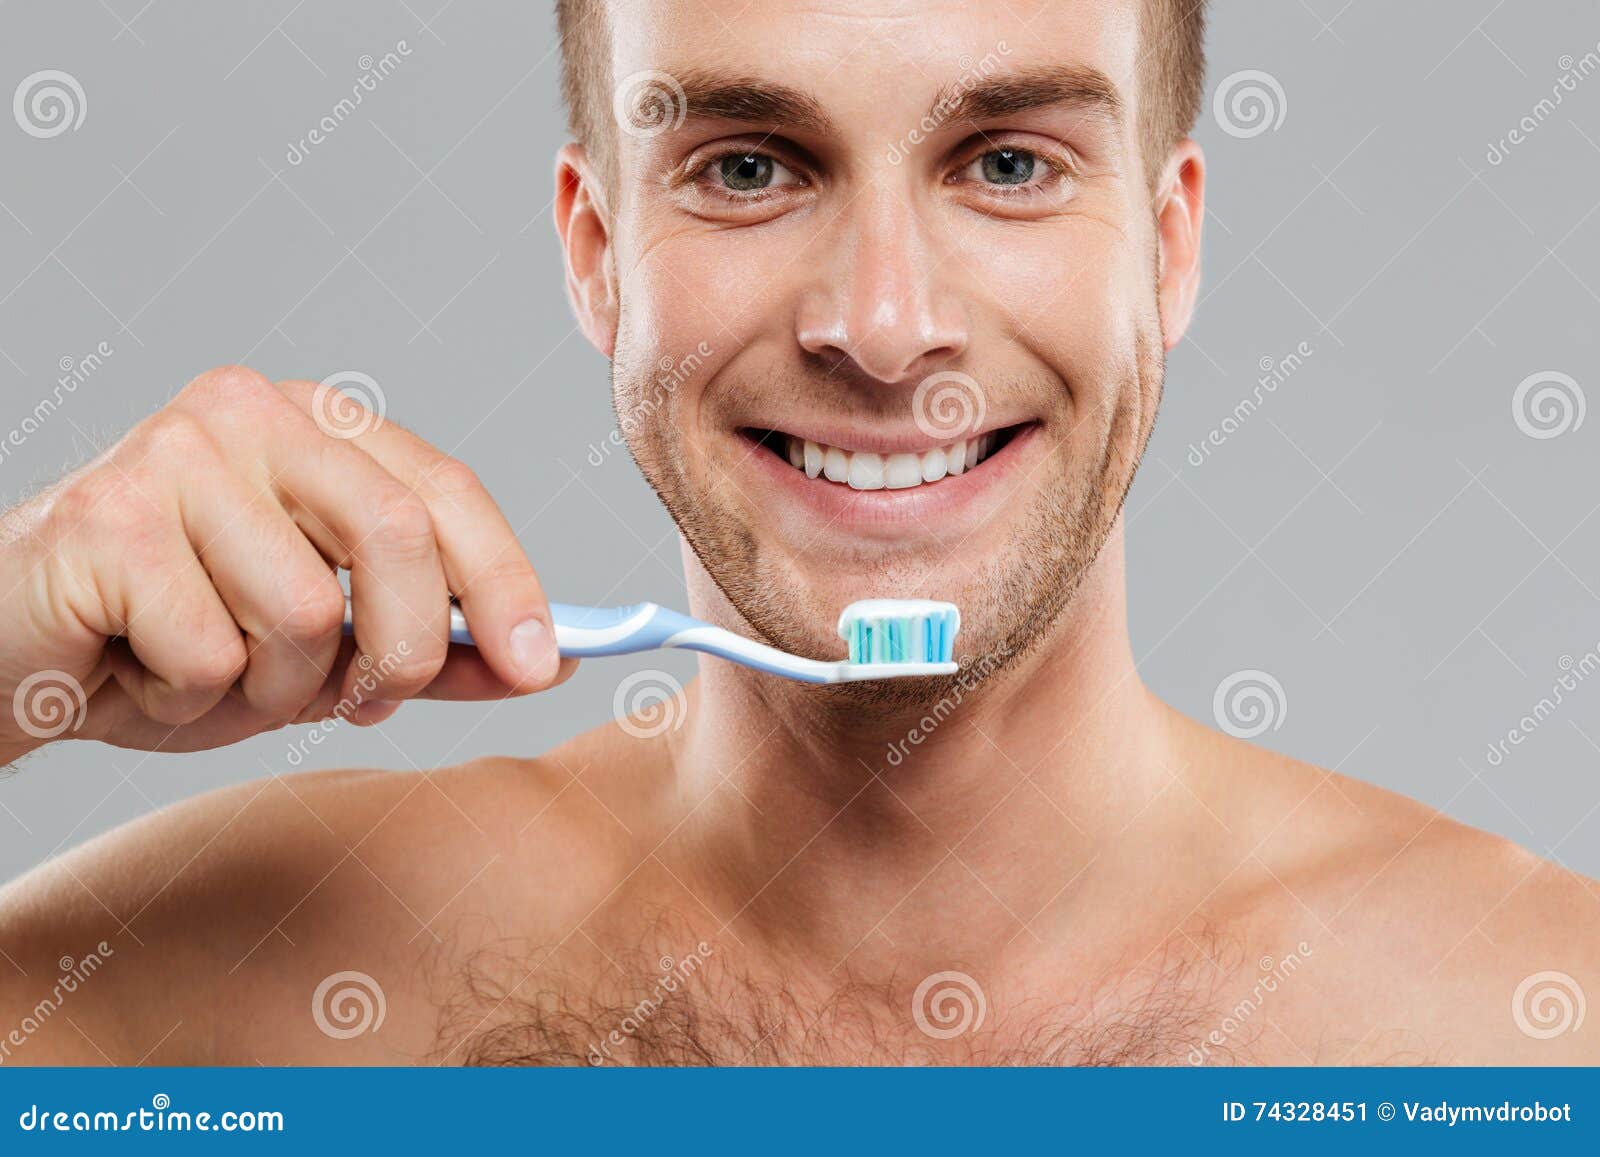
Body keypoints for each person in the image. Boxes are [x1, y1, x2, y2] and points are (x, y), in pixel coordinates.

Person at [0, 0, 1593, 1066]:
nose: (883, 328)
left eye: (1011, 163)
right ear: (600, 250)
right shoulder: (239, 991)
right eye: (750, 167)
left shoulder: (1527, 1024)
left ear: (1166, 247)